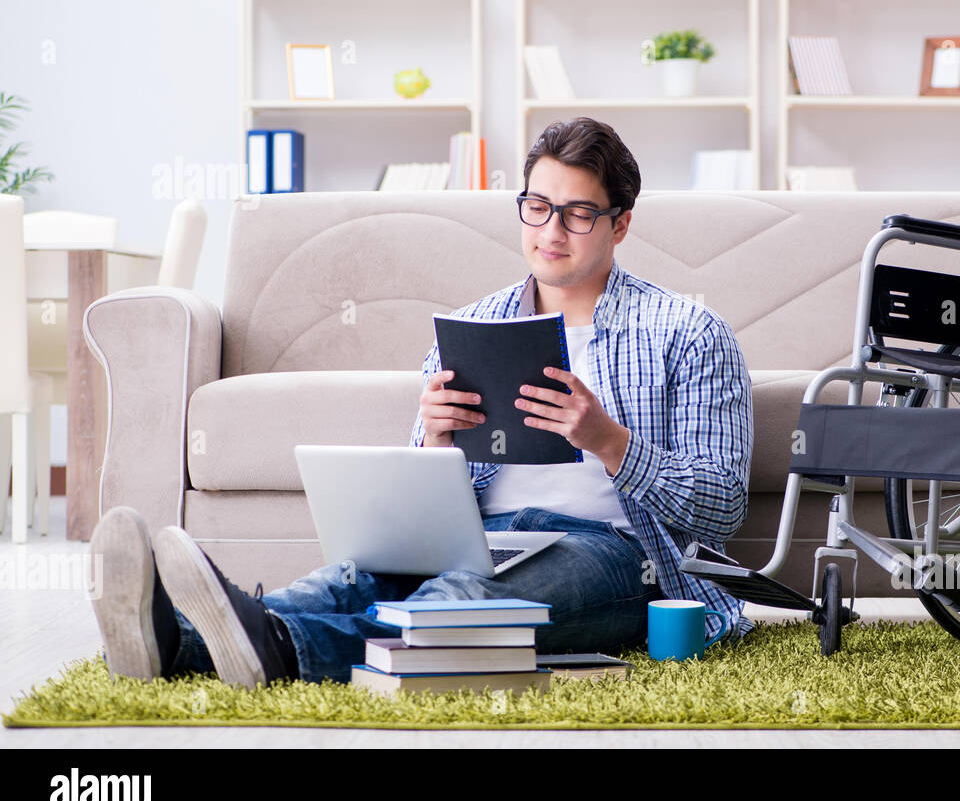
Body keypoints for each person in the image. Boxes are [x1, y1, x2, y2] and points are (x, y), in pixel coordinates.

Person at [89, 116, 755, 688]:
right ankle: (175, 642)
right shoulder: (473, 327)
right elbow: (425, 495)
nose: (552, 229)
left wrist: (611, 440)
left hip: (615, 553)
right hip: (480, 537)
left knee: (451, 603)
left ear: (621, 223)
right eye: (537, 206)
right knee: (345, 582)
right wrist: (436, 444)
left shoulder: (687, 331)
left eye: (578, 213)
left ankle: (268, 646)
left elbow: (723, 507)